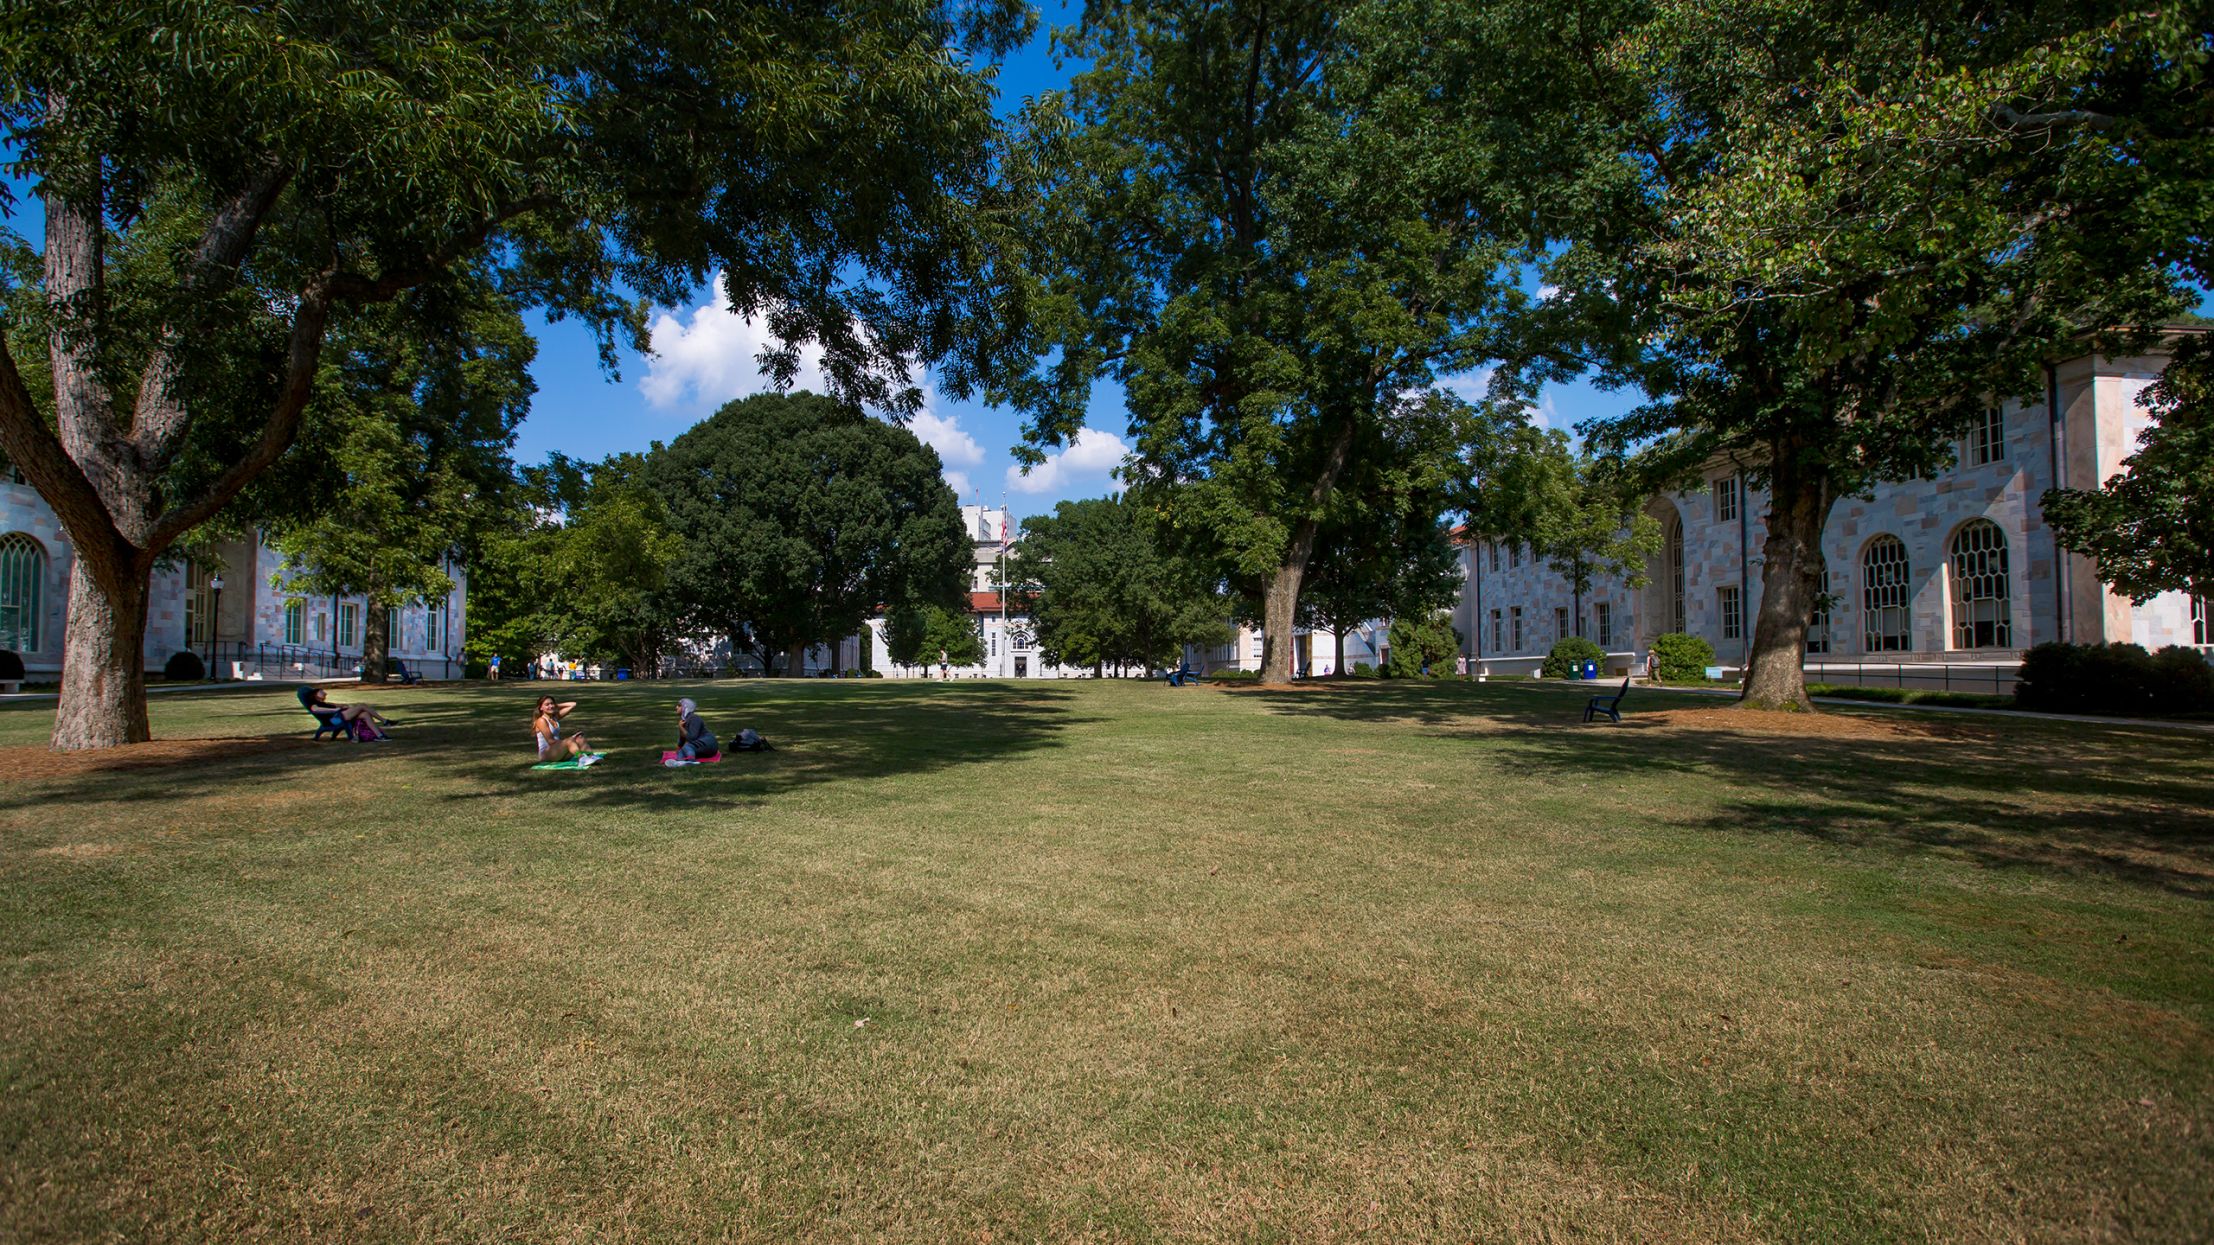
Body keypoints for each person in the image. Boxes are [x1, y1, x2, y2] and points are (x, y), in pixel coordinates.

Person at [305, 687, 391, 740]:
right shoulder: (313, 703)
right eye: (321, 691)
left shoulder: (327, 704)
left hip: (340, 715)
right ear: (315, 694)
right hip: (334, 719)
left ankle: (380, 736)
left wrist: (344, 706)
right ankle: (385, 721)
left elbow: (340, 705)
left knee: (365, 714)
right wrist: (334, 710)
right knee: (362, 706)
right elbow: (315, 709)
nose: (325, 693)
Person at [533, 696, 589, 762]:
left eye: (552, 703)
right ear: (541, 708)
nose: (550, 706)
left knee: (580, 738)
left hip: (558, 752)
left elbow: (573, 704)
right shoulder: (541, 720)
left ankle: (591, 756)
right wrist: (571, 739)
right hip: (546, 754)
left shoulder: (554, 718)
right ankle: (581, 758)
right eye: (547, 704)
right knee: (569, 741)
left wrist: (555, 706)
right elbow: (550, 741)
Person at [668, 697, 720, 766]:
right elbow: (682, 738)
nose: (676, 707)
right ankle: (679, 762)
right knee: (682, 751)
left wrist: (681, 727)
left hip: (709, 743)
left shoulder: (694, 718)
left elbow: (692, 738)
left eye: (679, 705)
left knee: (687, 747)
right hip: (700, 746)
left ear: (686, 707)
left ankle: (692, 761)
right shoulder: (684, 720)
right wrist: (678, 750)